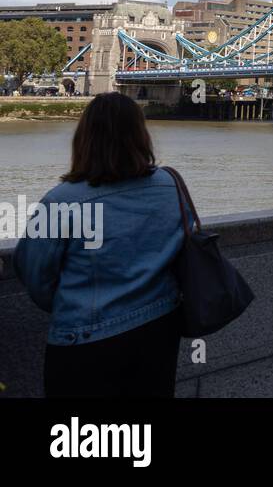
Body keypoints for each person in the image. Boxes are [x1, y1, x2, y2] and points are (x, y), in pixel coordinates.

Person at [14, 92, 188, 397]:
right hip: (159, 330)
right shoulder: (171, 185)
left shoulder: (60, 200)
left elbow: (34, 273)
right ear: (141, 136)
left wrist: (73, 305)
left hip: (85, 340)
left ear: (85, 139)